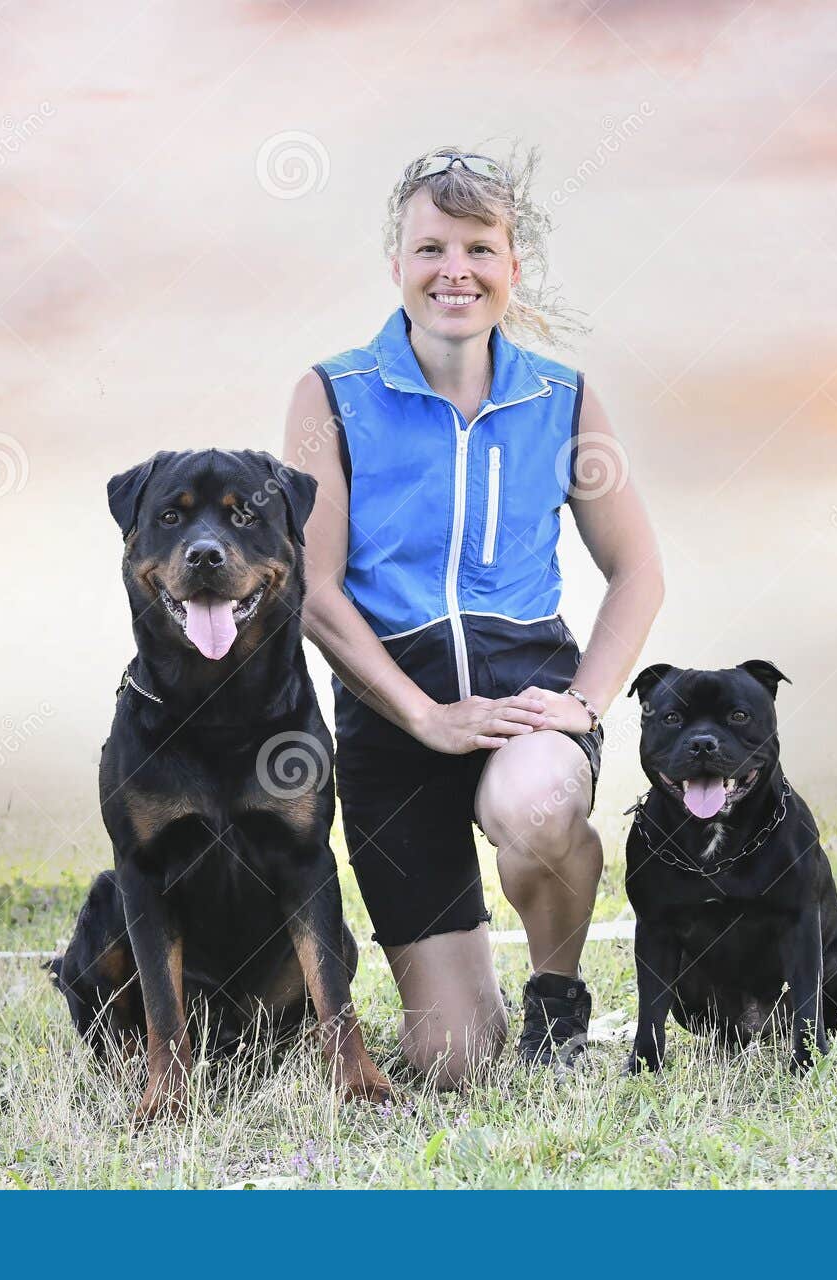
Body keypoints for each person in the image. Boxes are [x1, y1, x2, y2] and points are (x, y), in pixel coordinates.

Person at [281, 146, 664, 1086]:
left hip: (524, 702)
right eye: (432, 248)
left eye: (479, 249)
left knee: (536, 804)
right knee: (452, 1059)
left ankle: (559, 1001)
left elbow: (638, 571)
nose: (456, 269)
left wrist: (584, 704)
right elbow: (312, 587)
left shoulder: (560, 397)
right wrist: (422, 715)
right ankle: (476, 1010)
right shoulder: (331, 395)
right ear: (398, 264)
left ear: (511, 267)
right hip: (391, 722)